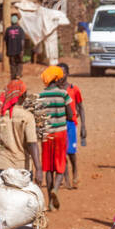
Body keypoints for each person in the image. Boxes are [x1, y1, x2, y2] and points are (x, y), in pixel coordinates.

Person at [38, 65, 74, 209]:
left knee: (48, 167)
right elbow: (70, 115)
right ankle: (56, 189)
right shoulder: (63, 94)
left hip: (47, 135)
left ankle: (50, 203)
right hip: (60, 133)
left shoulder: (40, 96)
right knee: (60, 164)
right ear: (57, 78)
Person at [0, 79, 39, 175]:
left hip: (0, 165)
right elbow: (32, 144)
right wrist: (38, 169)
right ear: (22, 96)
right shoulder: (27, 116)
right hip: (21, 167)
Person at [59, 62, 86, 189]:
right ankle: (66, 179)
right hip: (59, 124)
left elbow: (81, 107)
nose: (61, 75)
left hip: (71, 124)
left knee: (71, 152)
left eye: (63, 72)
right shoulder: (56, 90)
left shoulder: (73, 89)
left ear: (67, 74)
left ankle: (75, 171)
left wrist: (83, 126)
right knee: (62, 153)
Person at [4, 13, 25, 80]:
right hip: (19, 50)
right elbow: (22, 41)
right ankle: (18, 74)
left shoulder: (8, 30)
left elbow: (6, 41)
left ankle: (13, 77)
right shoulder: (20, 29)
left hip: (10, 50)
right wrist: (22, 50)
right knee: (19, 63)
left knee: (12, 64)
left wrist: (7, 50)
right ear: (17, 21)